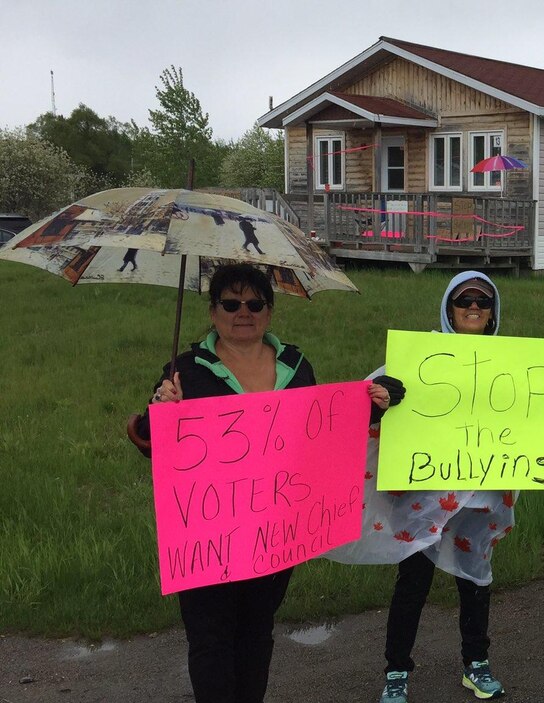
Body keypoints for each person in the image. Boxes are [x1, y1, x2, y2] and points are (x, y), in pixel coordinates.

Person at [125, 263, 398, 703]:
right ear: (213, 312)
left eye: (255, 303)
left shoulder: (295, 364)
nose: (243, 312)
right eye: (231, 303)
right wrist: (161, 409)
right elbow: (155, 446)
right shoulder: (186, 371)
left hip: (275, 529)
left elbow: (321, 432)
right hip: (208, 535)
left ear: (269, 312)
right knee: (211, 639)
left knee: (257, 632)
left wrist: (372, 407)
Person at [325, 271, 518, 703]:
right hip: (421, 497)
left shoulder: (513, 362)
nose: (473, 307)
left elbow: (532, 413)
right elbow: (367, 399)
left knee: (474, 580)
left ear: (493, 313)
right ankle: (396, 669)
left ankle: (476, 663)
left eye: (483, 302)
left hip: (478, 498)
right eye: (464, 299)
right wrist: (385, 393)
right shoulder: (418, 356)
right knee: (412, 583)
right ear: (449, 306)